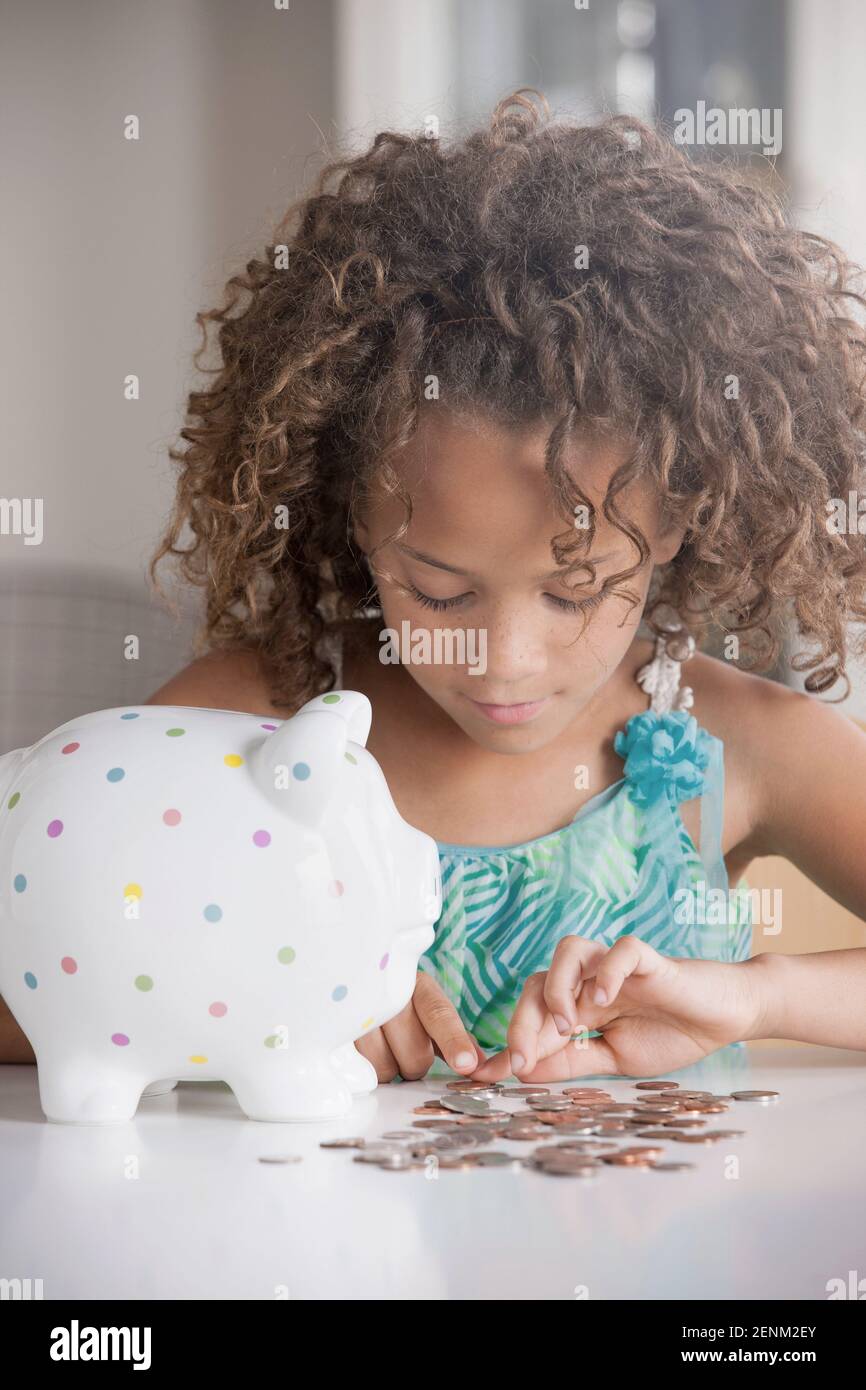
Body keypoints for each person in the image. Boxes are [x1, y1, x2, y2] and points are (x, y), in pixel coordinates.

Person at [6, 90, 866, 1082]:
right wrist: (240, 998)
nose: (503, 658)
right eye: (440, 591)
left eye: (574, 591)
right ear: (349, 515)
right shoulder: (240, 726)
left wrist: (758, 993)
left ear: (674, 518)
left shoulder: (750, 743)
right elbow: (34, 987)